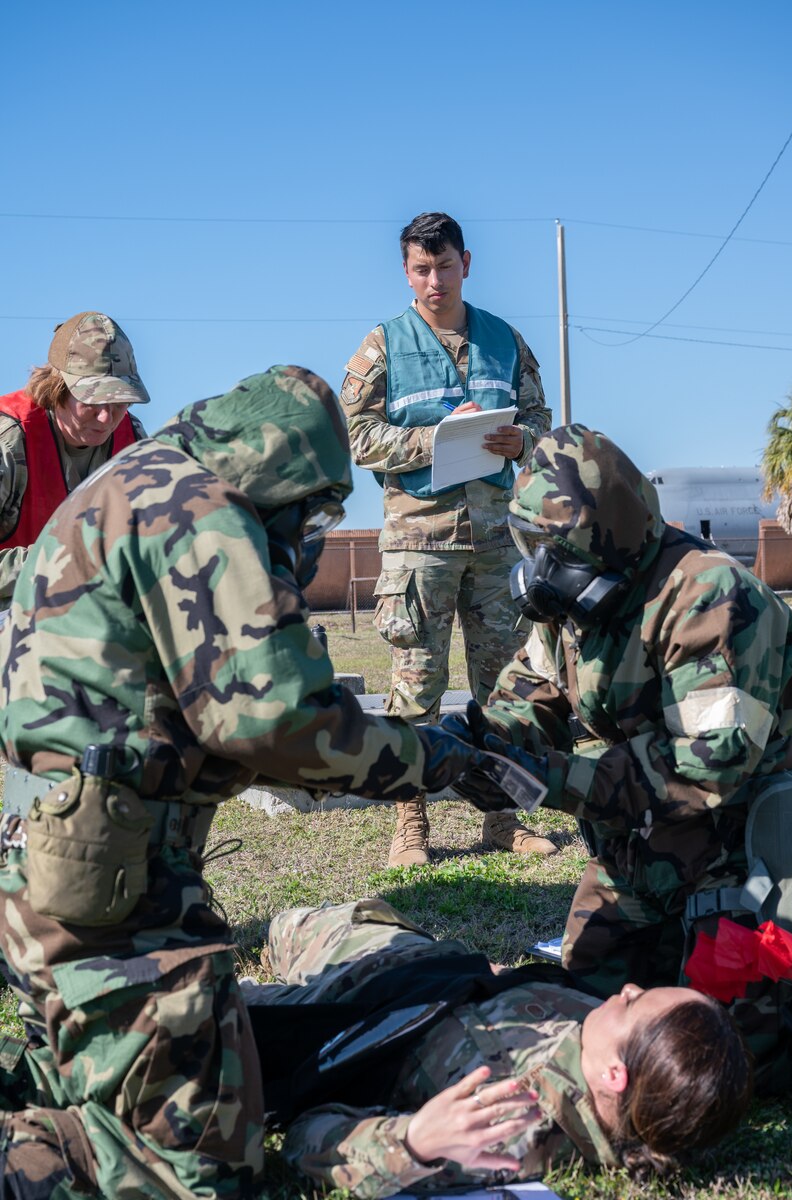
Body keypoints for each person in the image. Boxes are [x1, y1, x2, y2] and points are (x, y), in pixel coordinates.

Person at [0, 366, 498, 1199]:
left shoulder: (135, 481)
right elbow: (273, 720)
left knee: (91, 1087)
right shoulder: (201, 507)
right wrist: (437, 758)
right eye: (313, 509)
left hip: (62, 869)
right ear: (283, 466)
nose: (309, 533)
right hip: (110, 910)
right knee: (198, 1174)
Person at [443, 424, 792, 1058]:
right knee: (586, 1010)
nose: (539, 568)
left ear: (607, 542)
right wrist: (477, 745)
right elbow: (531, 699)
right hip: (640, 846)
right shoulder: (574, 607)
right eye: (530, 544)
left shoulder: (708, 596)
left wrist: (549, 778)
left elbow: (707, 769)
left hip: (741, 850)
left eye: (553, 546)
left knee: (723, 1049)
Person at [243, 899, 751, 1199]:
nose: (626, 991)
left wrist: (413, 1142)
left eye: (632, 1005)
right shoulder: (642, 1066)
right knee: (326, 917)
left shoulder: (504, 1131)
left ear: (615, 1075)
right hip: (417, 959)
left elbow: (307, 1136)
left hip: (345, 1003)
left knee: (228, 986)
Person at [342, 211, 553, 866]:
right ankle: (411, 828)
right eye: (421, 269)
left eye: (445, 265)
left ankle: (503, 823)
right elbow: (356, 437)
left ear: (468, 262)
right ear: (407, 272)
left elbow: (541, 418)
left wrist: (526, 442)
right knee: (416, 691)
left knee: (504, 691)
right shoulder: (383, 344)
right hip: (419, 541)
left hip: (494, 539)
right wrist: (431, 440)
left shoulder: (504, 340)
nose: (435, 280)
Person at [0, 310, 150, 601]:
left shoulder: (131, 441)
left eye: (120, 402)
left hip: (92, 612)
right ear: (58, 389)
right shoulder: (9, 439)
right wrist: (67, 559)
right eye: (92, 400)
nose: (106, 418)